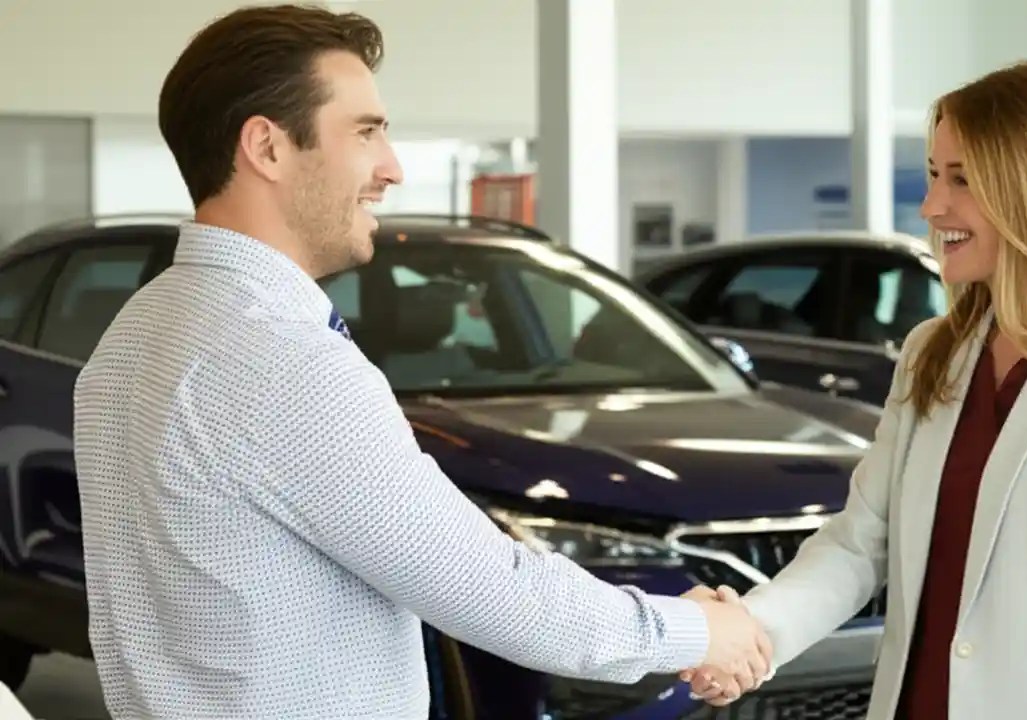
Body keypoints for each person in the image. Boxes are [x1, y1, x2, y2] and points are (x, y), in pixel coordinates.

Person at [71, 4, 769, 718]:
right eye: (367, 132)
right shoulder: (282, 361)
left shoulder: (132, 338)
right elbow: (497, 594)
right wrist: (694, 632)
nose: (392, 168)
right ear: (267, 147)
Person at [682, 60, 1027, 719]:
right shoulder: (935, 351)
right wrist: (750, 630)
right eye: (933, 174)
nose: (933, 207)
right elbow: (856, 546)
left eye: (961, 179)